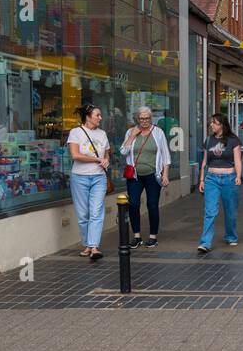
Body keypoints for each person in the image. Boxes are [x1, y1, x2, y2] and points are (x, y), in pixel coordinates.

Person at [120, 106, 171, 247]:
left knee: (152, 205)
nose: (144, 121)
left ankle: (153, 236)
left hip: (153, 175)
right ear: (137, 118)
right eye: (142, 118)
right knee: (133, 204)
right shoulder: (130, 132)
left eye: (147, 118)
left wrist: (165, 174)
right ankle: (137, 236)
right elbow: (123, 151)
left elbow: (166, 155)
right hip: (134, 176)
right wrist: (132, 136)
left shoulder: (158, 132)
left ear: (151, 118)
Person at [67, 102, 110, 261]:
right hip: (79, 177)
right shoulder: (75, 132)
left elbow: (107, 154)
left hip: (99, 177)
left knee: (96, 212)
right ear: (88, 116)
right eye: (97, 115)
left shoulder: (102, 134)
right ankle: (87, 245)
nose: (100, 118)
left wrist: (106, 160)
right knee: (83, 214)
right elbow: (75, 155)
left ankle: (94, 246)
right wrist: (97, 159)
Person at [198, 113, 243, 253]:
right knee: (210, 211)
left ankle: (231, 236)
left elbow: (237, 160)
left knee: (230, 211)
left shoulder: (233, 140)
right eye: (211, 122)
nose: (211, 125)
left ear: (222, 125)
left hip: (229, 178)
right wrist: (201, 179)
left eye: (214, 122)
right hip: (211, 179)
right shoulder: (208, 140)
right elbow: (205, 162)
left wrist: (238, 176)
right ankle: (205, 243)